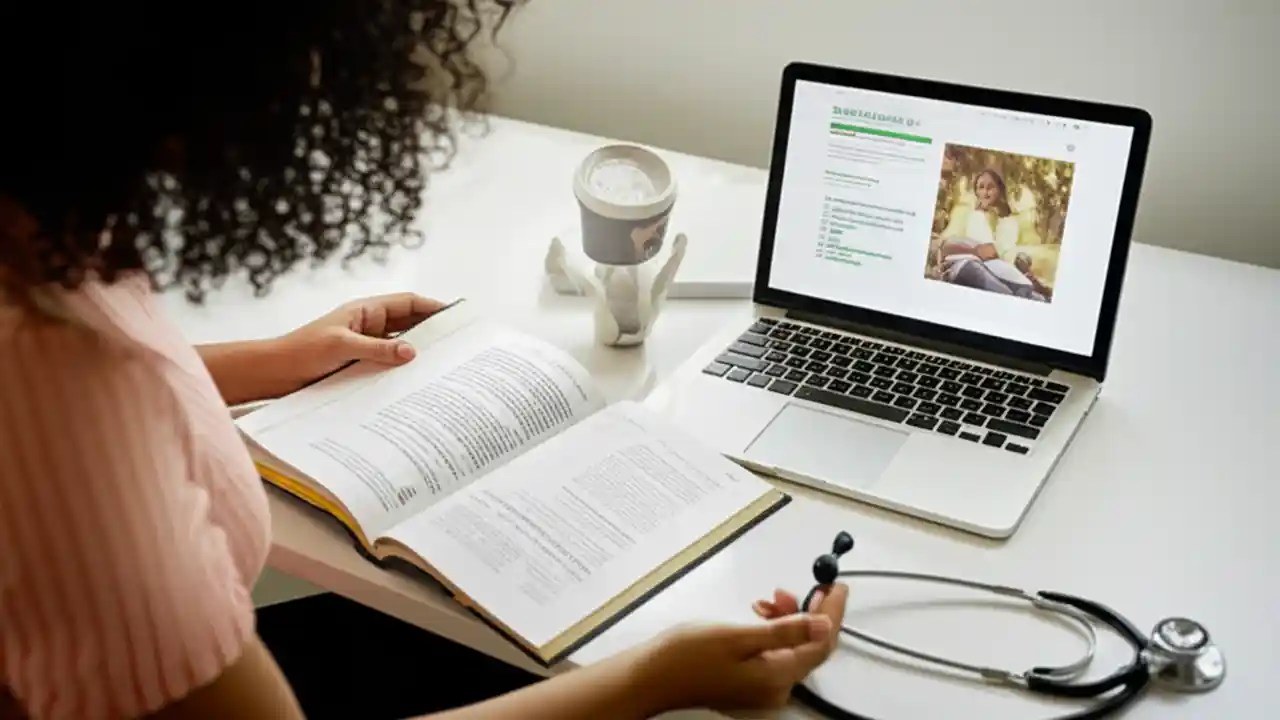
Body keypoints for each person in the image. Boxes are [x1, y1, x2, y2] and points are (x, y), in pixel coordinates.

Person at [0, 2, 849, 719]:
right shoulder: (67, 391)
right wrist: (654, 681)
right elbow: (65, 405)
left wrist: (271, 362)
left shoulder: (40, 223)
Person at [935, 169, 1051, 301]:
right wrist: (975, 250)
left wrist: (1021, 265)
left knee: (1032, 295)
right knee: (1004, 293)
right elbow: (946, 244)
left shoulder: (1009, 222)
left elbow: (1006, 253)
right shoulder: (968, 214)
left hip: (999, 271)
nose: (985, 192)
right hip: (969, 265)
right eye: (981, 187)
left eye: (990, 188)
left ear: (999, 190)